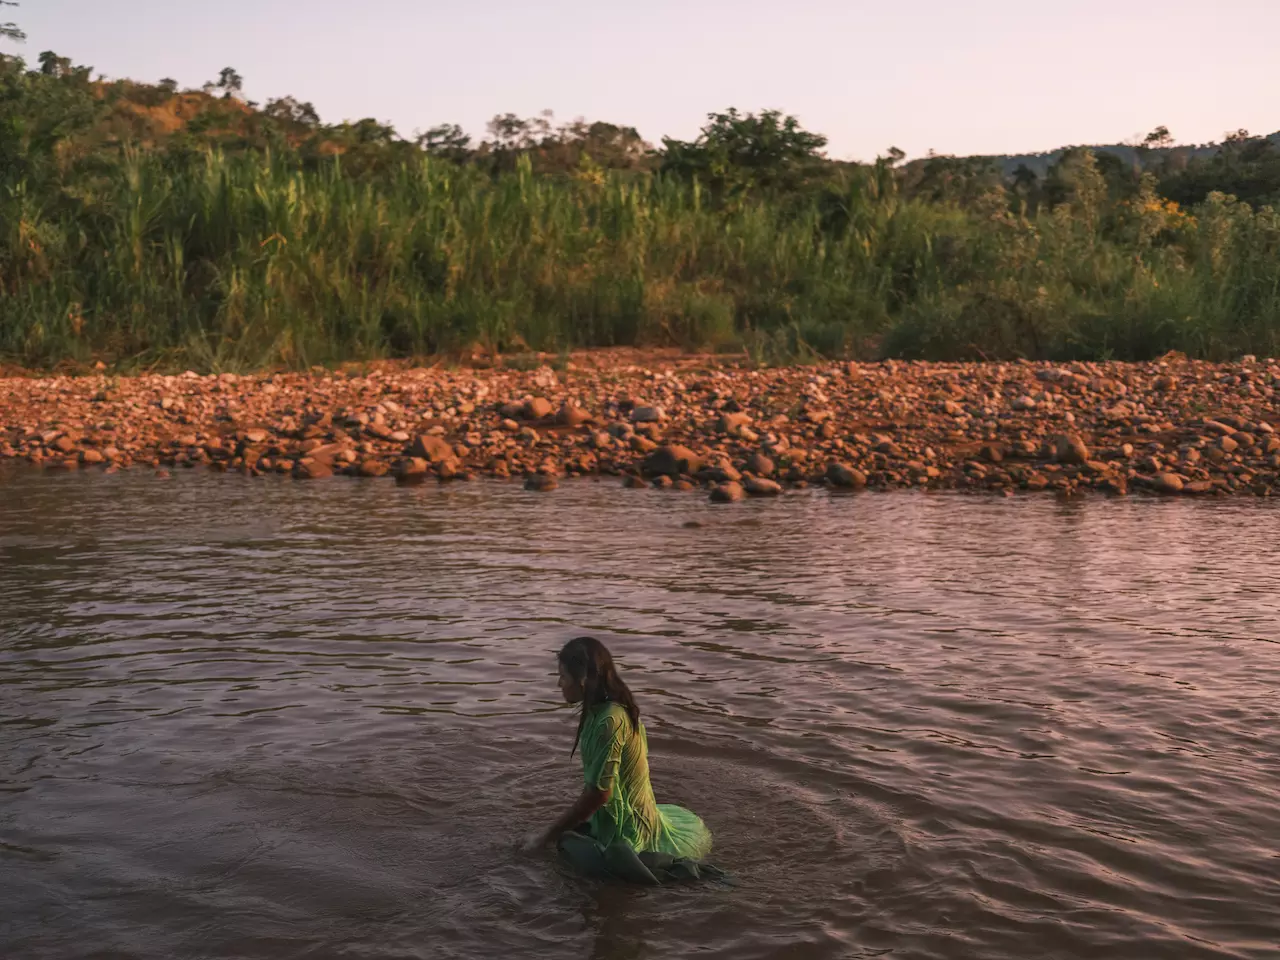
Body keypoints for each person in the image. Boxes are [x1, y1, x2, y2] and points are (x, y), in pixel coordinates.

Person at [522, 637, 713, 873]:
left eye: (563, 676)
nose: (559, 684)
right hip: (611, 815)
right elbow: (596, 785)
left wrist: (545, 837)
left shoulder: (610, 720)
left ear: (582, 681)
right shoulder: (597, 711)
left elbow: (600, 794)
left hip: (631, 828)